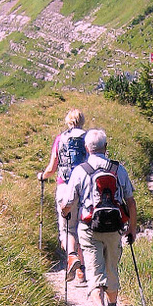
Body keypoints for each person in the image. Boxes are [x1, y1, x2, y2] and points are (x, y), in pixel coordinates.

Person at [60, 128, 138, 306]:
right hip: (114, 229)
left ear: (87, 148)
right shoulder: (118, 169)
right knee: (111, 270)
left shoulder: (80, 170)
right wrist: (132, 228)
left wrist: (64, 212)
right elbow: (130, 201)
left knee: (94, 273)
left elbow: (68, 203)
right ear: (106, 147)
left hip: (89, 228)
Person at [39, 109, 88, 285]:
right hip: (84, 188)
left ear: (68, 121)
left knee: (67, 229)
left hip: (65, 188)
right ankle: (82, 270)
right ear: (82, 121)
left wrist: (42, 176)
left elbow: (52, 168)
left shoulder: (60, 139)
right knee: (82, 227)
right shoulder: (88, 138)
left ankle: (72, 257)